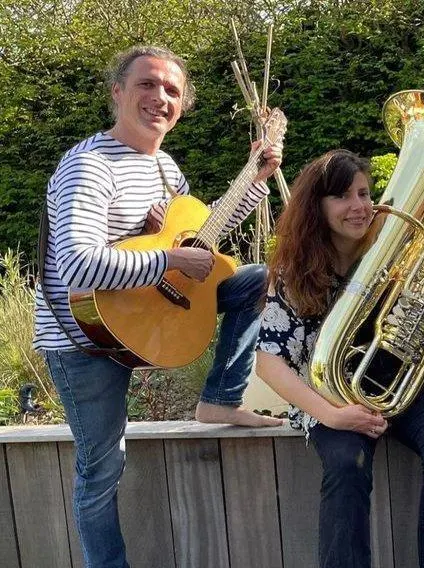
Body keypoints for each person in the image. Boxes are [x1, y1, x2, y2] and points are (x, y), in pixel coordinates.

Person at [33, 45, 283, 568]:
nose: (160, 97)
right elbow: (77, 266)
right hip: (83, 336)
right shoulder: (89, 166)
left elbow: (200, 237)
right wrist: (169, 258)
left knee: (258, 280)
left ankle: (220, 398)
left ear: (182, 106)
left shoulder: (166, 169)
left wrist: (255, 182)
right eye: (146, 84)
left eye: (172, 90)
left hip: (143, 313)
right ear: (117, 92)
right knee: (102, 469)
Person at [254, 149, 424, 568]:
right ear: (317, 206)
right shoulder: (293, 273)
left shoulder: (394, 251)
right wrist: (333, 417)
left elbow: (411, 325)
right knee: (346, 465)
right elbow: (269, 362)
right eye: (343, 196)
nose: (359, 206)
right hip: (331, 392)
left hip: (403, 378)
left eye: (364, 193)